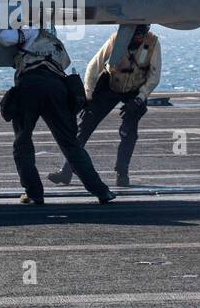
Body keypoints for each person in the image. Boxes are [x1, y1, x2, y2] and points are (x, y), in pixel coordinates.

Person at [0, 25, 116, 206]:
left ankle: (34, 193)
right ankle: (102, 191)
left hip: (30, 84)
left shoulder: (33, 31)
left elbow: (4, 38)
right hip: (57, 88)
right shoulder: (59, 47)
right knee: (71, 144)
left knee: (23, 142)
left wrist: (18, 29)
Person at [48, 24, 161, 188]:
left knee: (129, 133)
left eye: (141, 32)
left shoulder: (153, 43)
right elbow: (95, 65)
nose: (138, 36)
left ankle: (122, 174)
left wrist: (139, 98)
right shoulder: (117, 38)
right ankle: (66, 171)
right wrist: (88, 94)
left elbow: (154, 75)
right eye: (136, 32)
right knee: (84, 126)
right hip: (109, 85)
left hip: (134, 90)